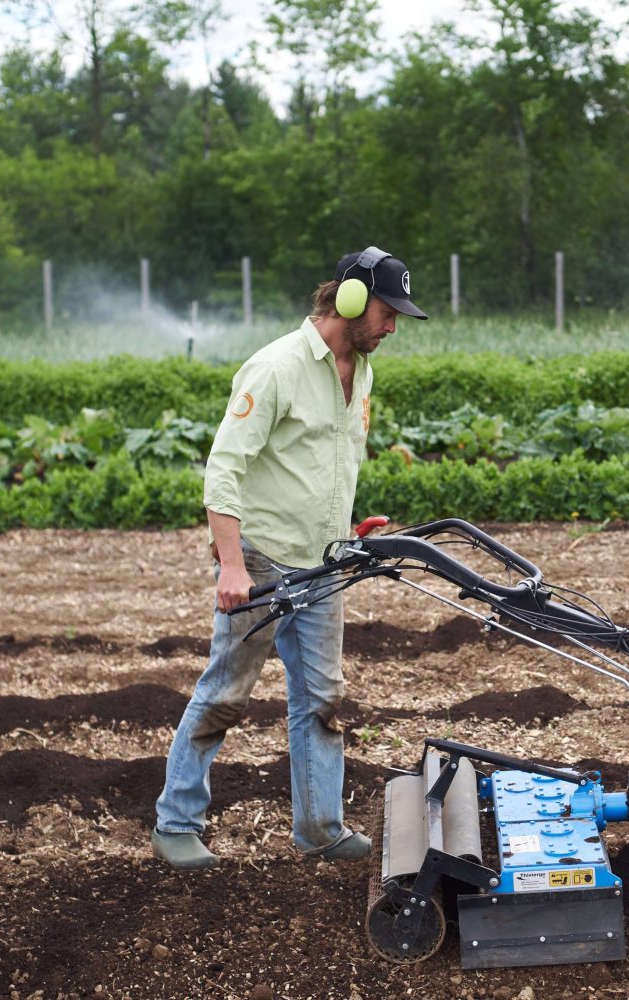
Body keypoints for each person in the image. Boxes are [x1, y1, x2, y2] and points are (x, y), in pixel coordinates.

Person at [152, 247, 428, 869]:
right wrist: (230, 564)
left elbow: (332, 461)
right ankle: (175, 824)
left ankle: (320, 829)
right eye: (387, 312)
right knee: (226, 690)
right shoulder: (274, 367)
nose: (392, 327)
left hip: (322, 566)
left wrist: (345, 528)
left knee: (322, 698)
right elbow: (225, 469)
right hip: (264, 560)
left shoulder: (362, 370)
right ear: (351, 300)